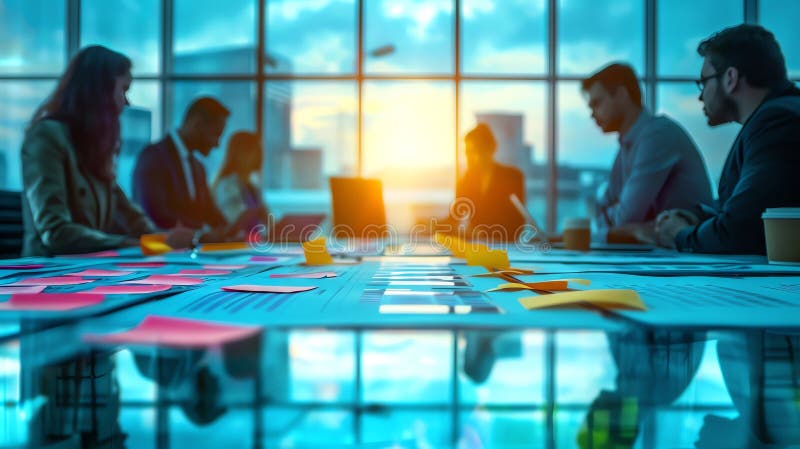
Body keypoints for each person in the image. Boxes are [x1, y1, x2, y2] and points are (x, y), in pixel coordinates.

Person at [20, 45, 192, 257]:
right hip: (49, 270)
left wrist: (164, 240)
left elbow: (132, 218)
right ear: (99, 91)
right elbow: (56, 233)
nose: (126, 102)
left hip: (87, 267)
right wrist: (140, 244)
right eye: (124, 90)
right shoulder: (47, 137)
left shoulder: (93, 146)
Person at [655, 24, 800, 254]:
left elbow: (738, 231)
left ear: (730, 78)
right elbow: (753, 210)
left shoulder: (777, 123)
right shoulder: (777, 117)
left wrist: (680, 234)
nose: (700, 96)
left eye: (704, 82)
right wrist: (700, 218)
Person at [582, 63, 712, 241]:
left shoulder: (657, 135)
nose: (592, 114)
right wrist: (624, 224)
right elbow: (603, 217)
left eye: (596, 103)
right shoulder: (627, 147)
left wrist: (620, 221)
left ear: (621, 95)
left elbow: (624, 219)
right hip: (668, 252)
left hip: (690, 251)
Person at [133, 96, 230, 240]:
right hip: (162, 249)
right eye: (216, 135)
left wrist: (231, 230)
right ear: (197, 124)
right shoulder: (154, 157)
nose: (217, 144)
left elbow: (211, 214)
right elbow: (155, 216)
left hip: (192, 250)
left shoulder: (198, 168)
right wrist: (202, 233)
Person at [451, 123, 526, 242]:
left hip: (506, 246)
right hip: (477, 246)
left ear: (490, 149)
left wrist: (482, 232)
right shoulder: (467, 179)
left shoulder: (512, 177)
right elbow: (454, 217)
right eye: (467, 152)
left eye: (474, 151)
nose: (469, 157)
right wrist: (431, 225)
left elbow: (517, 222)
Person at [211, 131, 270, 237]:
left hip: (256, 241)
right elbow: (230, 224)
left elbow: (266, 224)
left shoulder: (252, 186)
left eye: (258, 150)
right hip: (236, 243)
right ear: (238, 154)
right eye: (251, 150)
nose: (257, 155)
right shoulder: (226, 185)